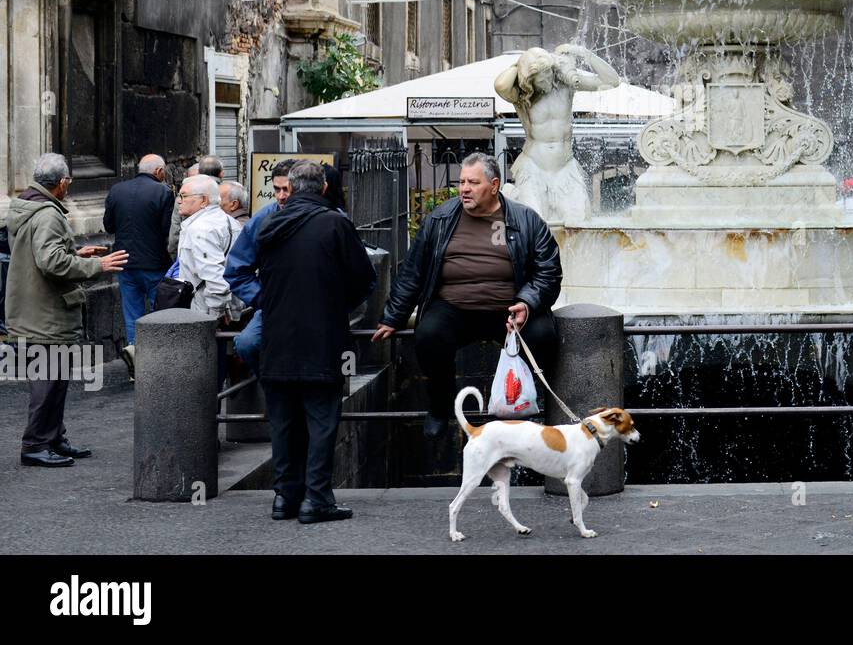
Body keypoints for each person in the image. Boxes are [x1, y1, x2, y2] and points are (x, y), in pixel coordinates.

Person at [372, 152, 561, 439]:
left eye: (473, 182)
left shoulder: (526, 220)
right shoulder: (440, 219)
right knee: (428, 335)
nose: (464, 189)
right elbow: (414, 271)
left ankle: (531, 405)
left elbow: (549, 271)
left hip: (508, 311)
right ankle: (440, 406)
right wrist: (393, 316)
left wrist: (527, 302)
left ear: (494, 185)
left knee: (544, 335)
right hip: (454, 308)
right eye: (461, 182)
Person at [255, 161, 375, 523]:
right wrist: (336, 302)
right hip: (323, 338)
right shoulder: (335, 224)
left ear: (289, 189)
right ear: (323, 189)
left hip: (276, 338)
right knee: (322, 421)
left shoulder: (269, 225)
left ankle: (284, 497)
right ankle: (316, 498)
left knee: (283, 422)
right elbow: (363, 278)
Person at [5, 154, 128, 466]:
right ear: (61, 184)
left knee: (54, 381)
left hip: (36, 311)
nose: (69, 186)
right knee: (48, 383)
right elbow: (51, 262)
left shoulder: (28, 206)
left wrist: (75, 251)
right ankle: (35, 445)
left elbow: (43, 254)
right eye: (69, 182)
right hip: (45, 315)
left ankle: (53, 438)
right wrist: (95, 264)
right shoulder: (47, 214)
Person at [494, 45, 619, 224]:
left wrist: (584, 54)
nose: (546, 80)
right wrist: (521, 63)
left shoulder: (566, 85)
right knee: (534, 224)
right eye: (540, 78)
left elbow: (612, 80)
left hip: (565, 168)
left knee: (578, 223)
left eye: (548, 73)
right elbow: (500, 85)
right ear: (528, 80)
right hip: (533, 167)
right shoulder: (523, 96)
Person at [225, 159, 297, 377]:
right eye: (277, 189)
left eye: (287, 189)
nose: (281, 195)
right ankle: (267, 382)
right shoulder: (263, 219)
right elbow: (236, 270)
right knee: (247, 343)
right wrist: (262, 299)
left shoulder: (328, 217)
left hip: (315, 305)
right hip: (273, 303)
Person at [103, 154, 174, 371]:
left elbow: (108, 226)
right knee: (158, 313)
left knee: (132, 315)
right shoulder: (163, 192)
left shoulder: (117, 190)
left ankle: (136, 364)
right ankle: (157, 364)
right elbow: (167, 230)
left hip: (125, 262)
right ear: (159, 172)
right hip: (154, 263)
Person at [177, 175, 243, 323]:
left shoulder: (201, 229)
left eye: (184, 195)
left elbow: (215, 278)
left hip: (206, 310)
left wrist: (215, 314)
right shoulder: (230, 221)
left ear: (204, 200)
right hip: (230, 304)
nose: (179, 200)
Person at [168, 156, 223, 257]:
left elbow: (175, 234)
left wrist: (177, 258)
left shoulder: (184, 198)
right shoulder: (229, 192)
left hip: (190, 255)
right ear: (221, 173)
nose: (181, 200)